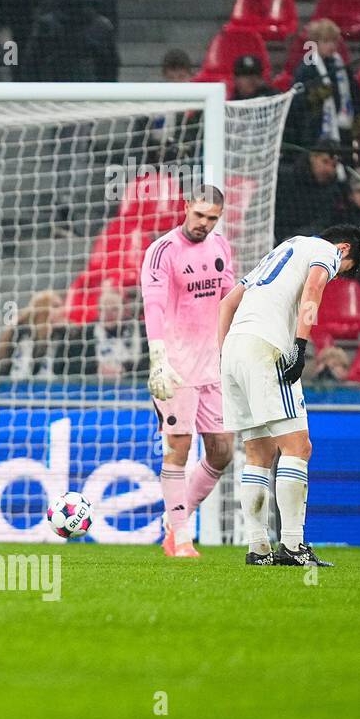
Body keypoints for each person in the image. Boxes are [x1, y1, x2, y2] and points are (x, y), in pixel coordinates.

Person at [218, 223, 360, 567]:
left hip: (234, 349)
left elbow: (226, 303)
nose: (339, 277)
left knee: (258, 452)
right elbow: (313, 287)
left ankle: (258, 550)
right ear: (343, 249)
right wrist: (300, 345)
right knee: (298, 447)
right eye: (347, 270)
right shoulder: (326, 252)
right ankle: (294, 547)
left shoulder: (284, 249)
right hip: (267, 348)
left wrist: (221, 356)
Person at [140, 185, 235, 558]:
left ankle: (178, 515)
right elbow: (154, 306)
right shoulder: (163, 250)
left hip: (213, 365)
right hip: (175, 368)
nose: (204, 224)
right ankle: (180, 538)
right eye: (199, 215)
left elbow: (228, 299)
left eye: (212, 218)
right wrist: (157, 359)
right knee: (178, 447)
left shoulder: (221, 247)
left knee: (222, 450)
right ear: (185, 208)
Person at [22, 0, 118, 82]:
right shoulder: (102, 27)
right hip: (89, 93)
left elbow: (31, 64)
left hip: (50, 92)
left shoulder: (46, 24)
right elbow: (110, 68)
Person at [286, 19, 360, 157]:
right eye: (326, 41)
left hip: (343, 129)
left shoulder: (342, 67)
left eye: (334, 41)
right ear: (315, 43)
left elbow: (354, 95)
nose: (331, 46)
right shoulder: (307, 69)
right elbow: (297, 101)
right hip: (316, 131)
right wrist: (316, 96)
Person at [274, 139, 347, 243]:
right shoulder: (286, 178)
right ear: (312, 158)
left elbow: (323, 222)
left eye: (334, 165)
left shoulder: (334, 192)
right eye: (325, 162)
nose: (328, 169)